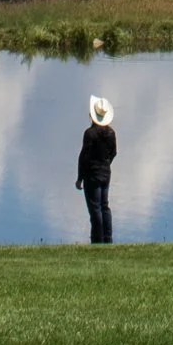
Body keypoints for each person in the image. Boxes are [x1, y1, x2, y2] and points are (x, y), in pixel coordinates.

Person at [75, 95, 117, 244]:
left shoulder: (89, 133)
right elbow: (114, 152)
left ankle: (97, 240)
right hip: (106, 174)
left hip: (92, 175)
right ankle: (108, 238)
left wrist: (80, 178)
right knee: (104, 206)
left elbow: (84, 156)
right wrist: (106, 164)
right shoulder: (111, 133)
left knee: (95, 209)